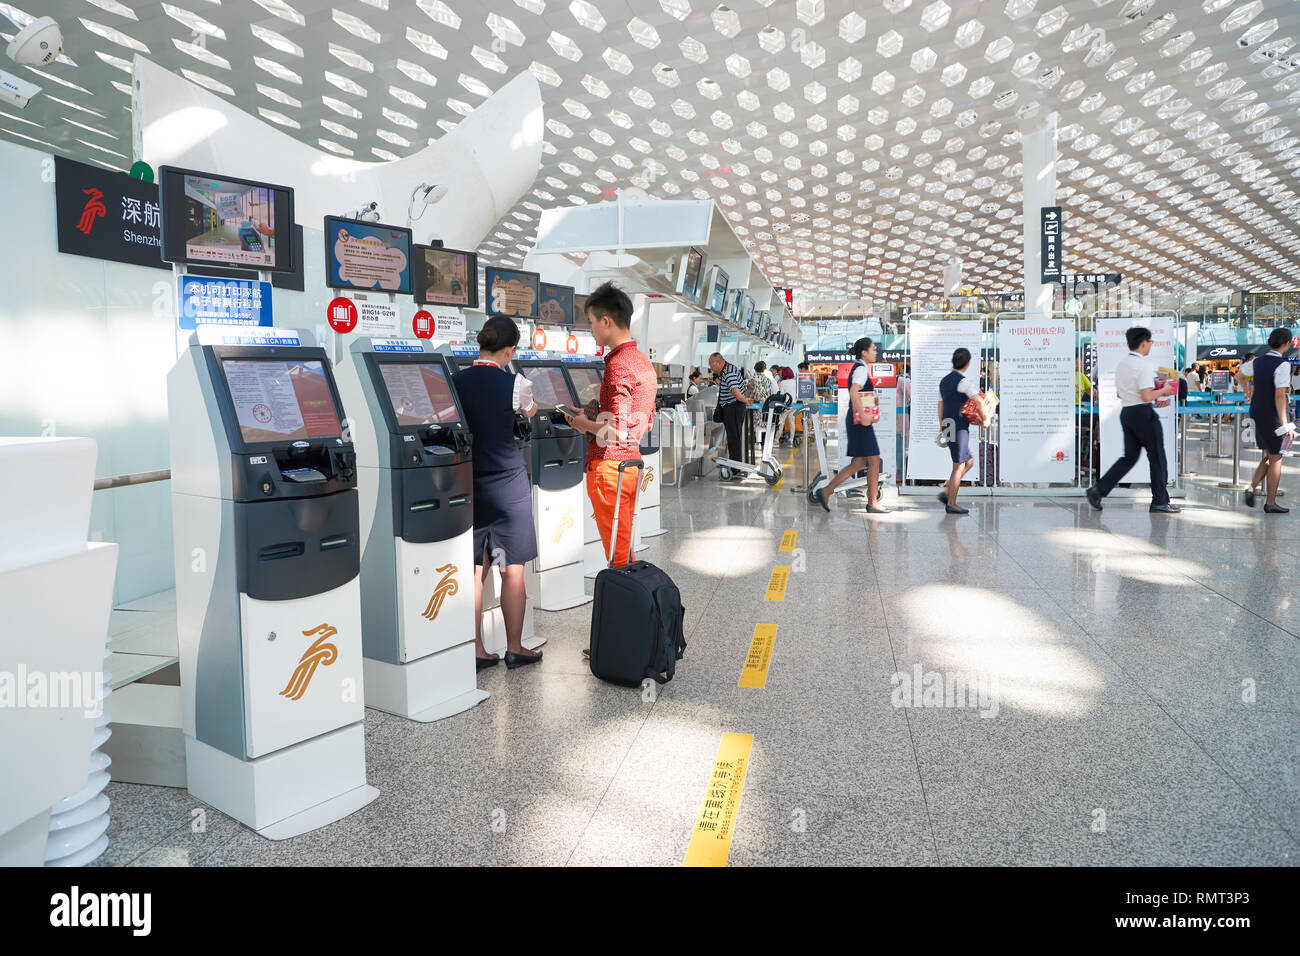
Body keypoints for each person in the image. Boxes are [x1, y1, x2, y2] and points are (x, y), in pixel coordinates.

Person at [452, 316, 542, 671]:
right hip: (508, 484)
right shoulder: (516, 384)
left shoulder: (454, 380)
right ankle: (516, 648)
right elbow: (532, 414)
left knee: (476, 571)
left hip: (470, 482)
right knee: (513, 568)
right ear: (509, 350)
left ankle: (477, 649)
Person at [563, 281, 657, 567]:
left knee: (617, 558)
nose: (590, 328)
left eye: (592, 322)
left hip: (609, 469)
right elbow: (646, 424)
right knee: (624, 549)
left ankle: (626, 610)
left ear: (606, 321)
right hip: (630, 467)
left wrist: (583, 425)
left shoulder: (618, 365)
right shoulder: (642, 361)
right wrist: (593, 413)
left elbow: (618, 430)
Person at [1086, 326, 1180, 514]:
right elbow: (1146, 396)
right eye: (1150, 342)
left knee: (1129, 457)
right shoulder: (1143, 365)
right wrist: (1164, 390)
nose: (1151, 345)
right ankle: (1160, 501)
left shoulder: (1122, 365)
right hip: (1143, 414)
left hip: (1127, 413)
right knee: (1157, 458)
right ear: (1143, 343)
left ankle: (1098, 490)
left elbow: (1120, 394)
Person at [813, 337, 887, 514]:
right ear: (864, 352)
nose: (876, 352)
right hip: (860, 421)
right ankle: (872, 502)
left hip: (856, 420)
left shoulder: (859, 368)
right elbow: (853, 392)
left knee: (859, 463)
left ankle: (826, 491)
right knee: (874, 460)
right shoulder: (861, 369)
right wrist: (864, 416)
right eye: (873, 349)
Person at [1237, 328, 1294, 514]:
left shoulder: (1257, 361)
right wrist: (1285, 424)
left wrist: (1247, 390)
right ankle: (1270, 502)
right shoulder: (1282, 364)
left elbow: (1239, 376)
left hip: (1257, 410)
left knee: (1270, 454)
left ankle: (1252, 488)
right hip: (1273, 414)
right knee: (1277, 456)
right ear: (1286, 343)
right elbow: (1280, 395)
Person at [937, 347, 990, 515]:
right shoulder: (964, 381)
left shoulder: (944, 381)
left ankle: (947, 494)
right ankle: (951, 503)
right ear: (967, 363)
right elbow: (980, 401)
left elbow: (940, 405)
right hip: (959, 425)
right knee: (959, 464)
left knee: (968, 462)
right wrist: (986, 419)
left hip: (948, 423)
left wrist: (941, 425)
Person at [708, 351, 751, 477]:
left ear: (718, 363)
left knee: (734, 439)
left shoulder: (728, 372)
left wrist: (745, 400)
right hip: (733, 407)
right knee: (734, 438)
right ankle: (735, 466)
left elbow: (735, 391)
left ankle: (736, 469)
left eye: (711, 364)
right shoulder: (728, 369)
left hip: (733, 408)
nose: (711, 367)